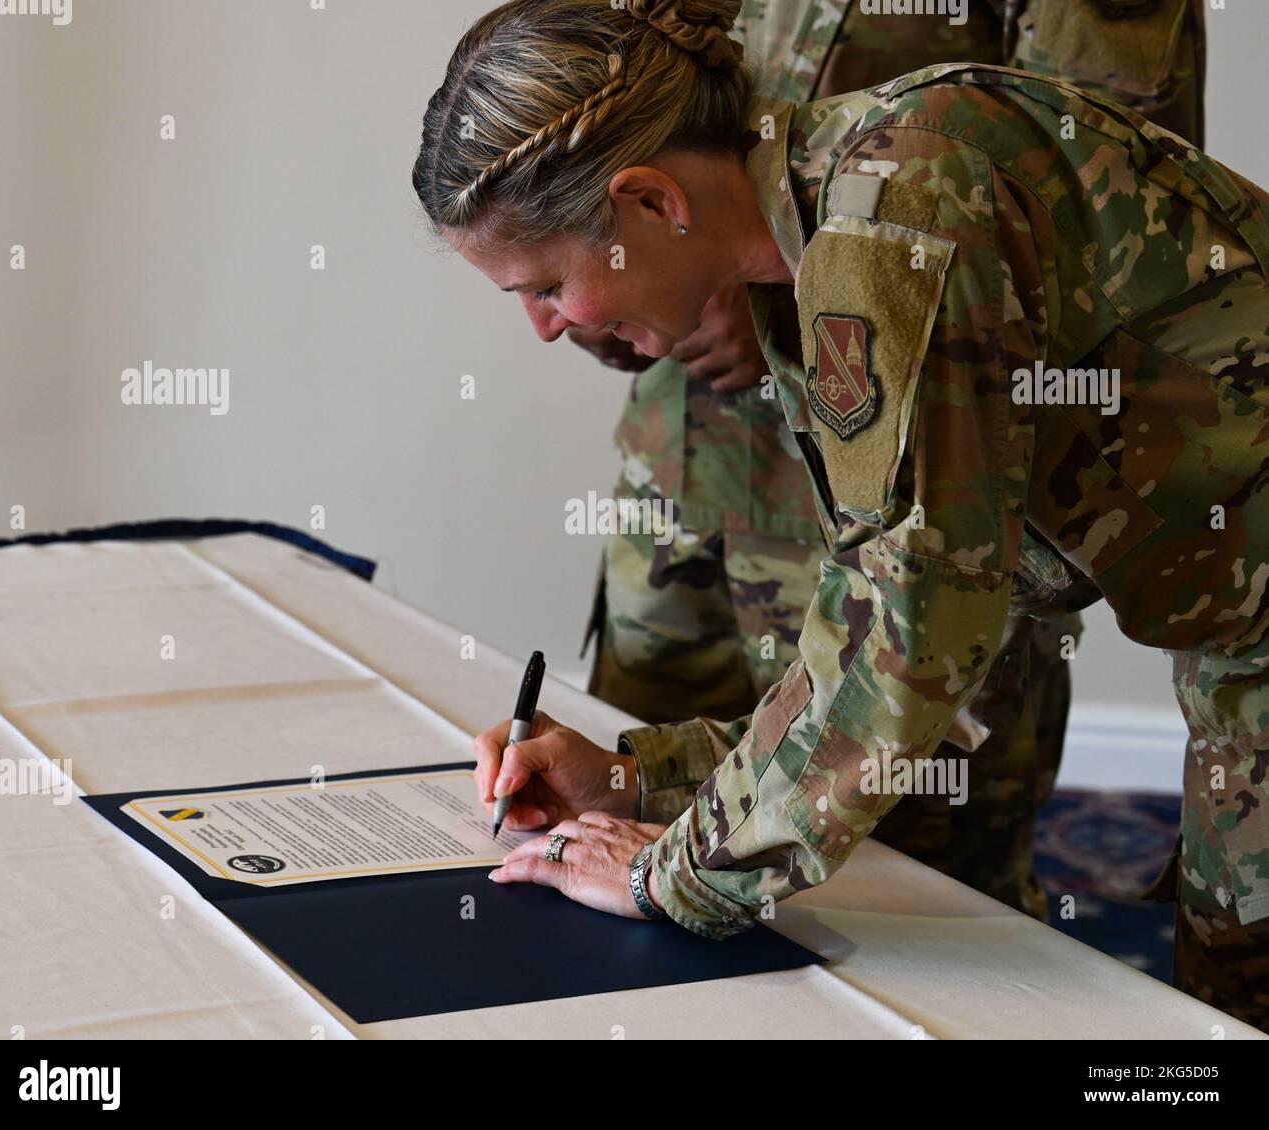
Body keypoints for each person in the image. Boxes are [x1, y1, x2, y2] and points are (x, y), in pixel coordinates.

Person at [412, 0, 1269, 1027]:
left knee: (1236, 989)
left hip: (1243, 630)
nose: (546, 329)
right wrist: (641, 774)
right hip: (1232, 631)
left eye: (545, 284)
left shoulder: (891, 219)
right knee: (1228, 977)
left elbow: (912, 643)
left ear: (648, 200)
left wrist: (671, 874)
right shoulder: (819, 239)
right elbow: (877, 620)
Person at [574, 0, 1205, 920]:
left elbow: (1093, 201)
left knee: (919, 898)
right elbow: (585, 123)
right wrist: (627, 281)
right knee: (632, 812)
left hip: (927, 469)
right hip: (685, 468)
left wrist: (784, 286)